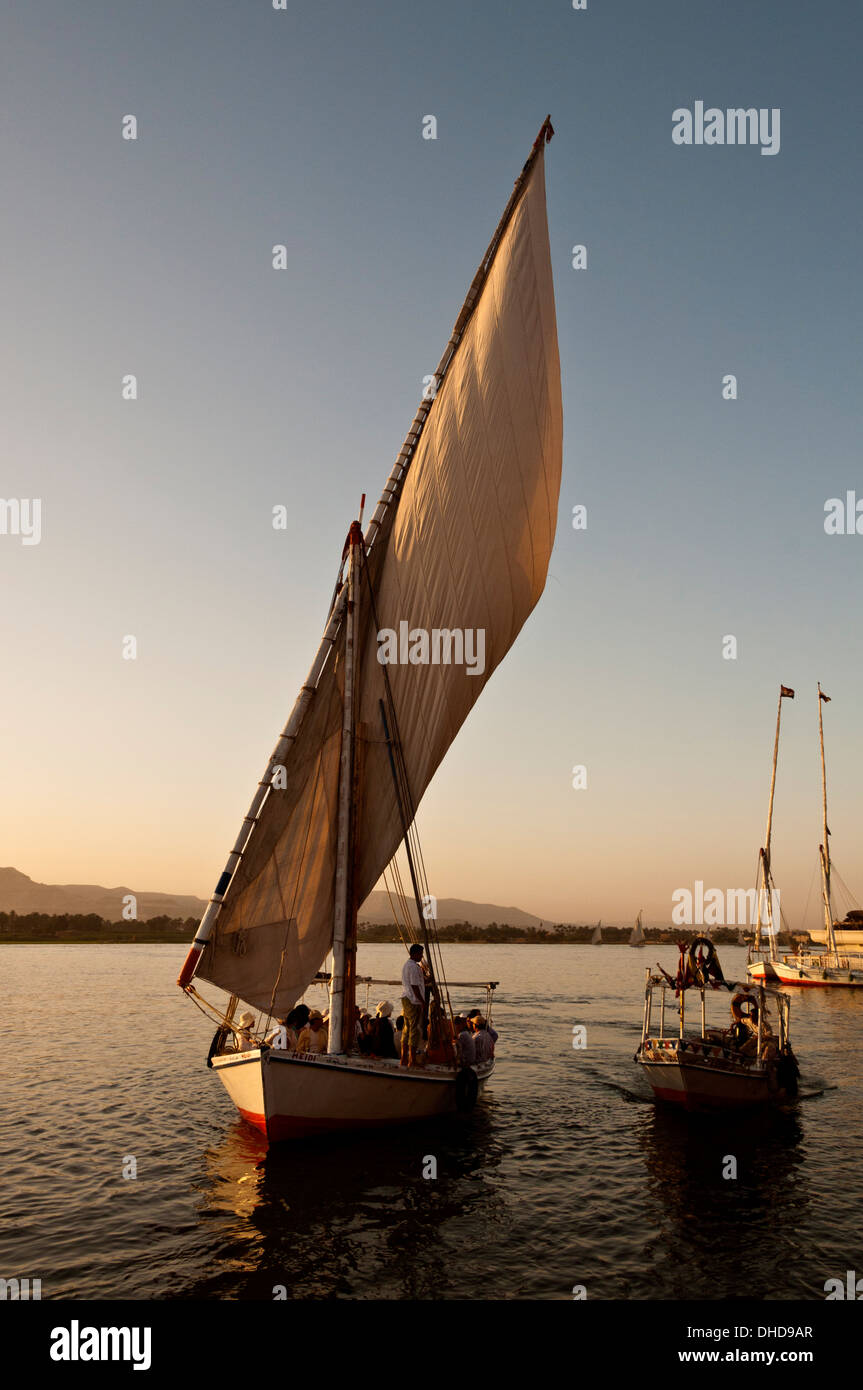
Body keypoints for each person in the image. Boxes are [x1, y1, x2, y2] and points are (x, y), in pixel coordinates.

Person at [400, 943, 427, 1067]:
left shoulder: (407, 965)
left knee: (407, 1029)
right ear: (415, 953)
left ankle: (404, 1059)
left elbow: (417, 982)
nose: (421, 957)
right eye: (420, 954)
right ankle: (412, 1060)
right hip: (413, 1000)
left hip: (406, 998)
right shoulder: (414, 967)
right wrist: (422, 1001)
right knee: (414, 1030)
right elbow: (415, 986)